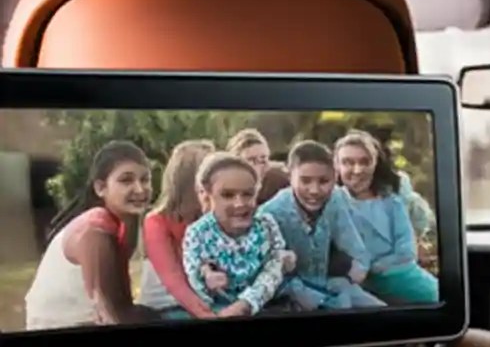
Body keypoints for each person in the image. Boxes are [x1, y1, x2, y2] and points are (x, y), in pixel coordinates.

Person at [25, 140, 158, 330]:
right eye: (126, 180)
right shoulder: (95, 228)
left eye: (145, 179)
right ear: (100, 188)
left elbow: (122, 301)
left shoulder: (124, 223)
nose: (139, 189)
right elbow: (111, 313)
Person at [258, 140, 384, 310]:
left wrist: (350, 275)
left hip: (331, 286)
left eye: (324, 181)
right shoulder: (270, 214)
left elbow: (355, 249)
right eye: (305, 181)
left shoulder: (336, 199)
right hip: (290, 296)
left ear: (335, 177)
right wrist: (315, 298)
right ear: (290, 176)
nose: (314, 190)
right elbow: (265, 273)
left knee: (383, 313)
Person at [333, 131, 439, 304]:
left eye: (365, 162)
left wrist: (381, 268)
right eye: (348, 162)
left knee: (440, 295)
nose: (357, 170)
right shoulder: (335, 201)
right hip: (358, 279)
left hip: (401, 273)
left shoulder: (391, 199)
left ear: (375, 164)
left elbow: (406, 248)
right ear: (337, 166)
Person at [182, 152, 287, 316]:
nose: (240, 204)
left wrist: (246, 303)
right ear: (208, 195)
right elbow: (195, 276)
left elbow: (274, 271)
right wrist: (207, 275)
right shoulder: (197, 233)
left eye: (248, 194)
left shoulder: (266, 224)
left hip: (267, 305)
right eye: (228, 195)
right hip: (218, 311)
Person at [137, 140, 219, 320]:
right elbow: (174, 281)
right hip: (166, 306)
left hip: (207, 301)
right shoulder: (156, 221)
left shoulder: (212, 216)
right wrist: (208, 315)